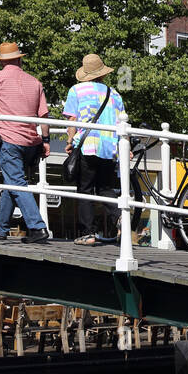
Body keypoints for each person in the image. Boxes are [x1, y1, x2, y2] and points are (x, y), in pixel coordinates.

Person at [0, 42, 51, 244]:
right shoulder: (35, 82)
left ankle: (37, 227)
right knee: (12, 183)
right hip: (31, 142)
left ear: (2, 61)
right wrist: (45, 141)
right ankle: (1, 229)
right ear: (20, 58)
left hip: (9, 140)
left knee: (17, 183)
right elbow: (44, 115)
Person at [63, 53, 126, 246]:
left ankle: (88, 233)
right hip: (109, 147)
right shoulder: (114, 93)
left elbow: (72, 119)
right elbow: (122, 122)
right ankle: (119, 217)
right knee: (105, 187)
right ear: (103, 74)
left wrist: (70, 140)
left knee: (85, 189)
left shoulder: (76, 90)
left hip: (88, 145)